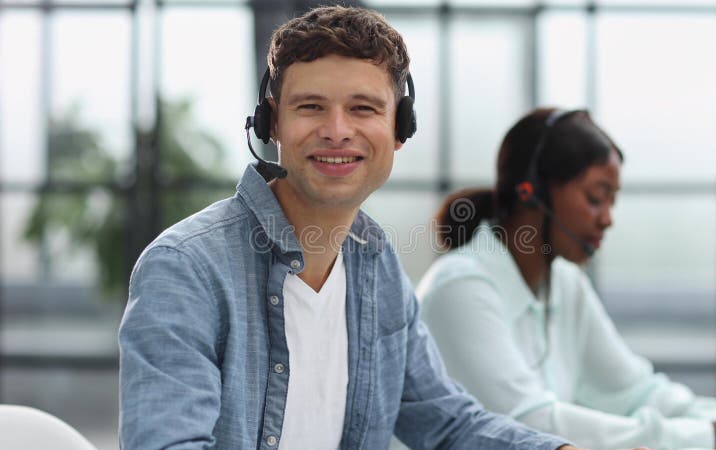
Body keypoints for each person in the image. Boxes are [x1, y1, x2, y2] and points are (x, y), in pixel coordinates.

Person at [118, 7, 584, 450]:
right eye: (311, 107)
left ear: (400, 127)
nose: (337, 130)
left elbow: (445, 419)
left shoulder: (375, 261)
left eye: (363, 108)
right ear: (271, 122)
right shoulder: (185, 270)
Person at [417, 108, 716, 450]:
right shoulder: (461, 287)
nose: (608, 218)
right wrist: (708, 436)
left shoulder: (564, 283)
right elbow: (527, 423)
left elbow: (634, 391)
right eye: (596, 197)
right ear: (530, 192)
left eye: (613, 201)